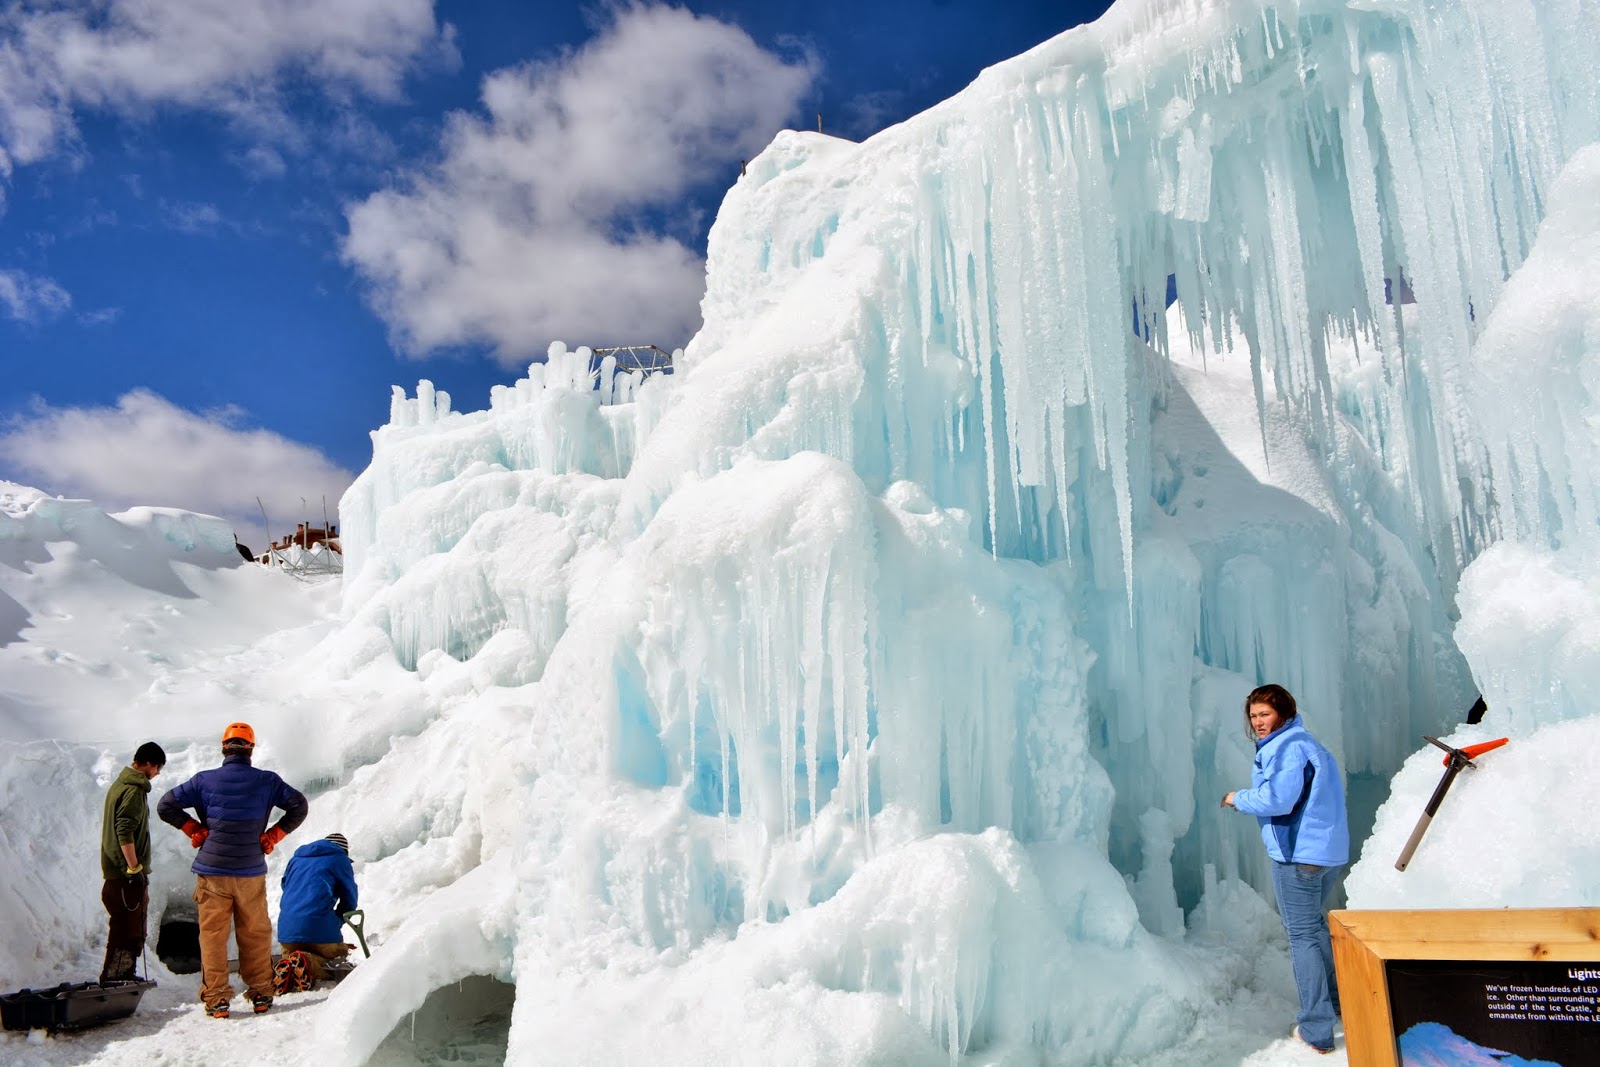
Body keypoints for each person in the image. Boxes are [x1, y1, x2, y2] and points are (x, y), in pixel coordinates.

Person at [1222, 684, 1349, 1056]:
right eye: (1253, 716)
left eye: (1265, 714)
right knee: (1314, 927)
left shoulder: (1287, 747)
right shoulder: (1306, 743)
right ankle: (1338, 1004)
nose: (1259, 722)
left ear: (1284, 712)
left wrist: (1236, 799)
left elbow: (1278, 798)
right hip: (1326, 855)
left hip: (1298, 858)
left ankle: (1316, 1028)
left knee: (1302, 938)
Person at [157, 722, 307, 1019]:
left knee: (213, 936)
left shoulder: (204, 781)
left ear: (224, 748)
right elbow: (298, 806)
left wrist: (193, 828)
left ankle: (217, 1000)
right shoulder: (267, 781)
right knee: (255, 933)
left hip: (212, 870)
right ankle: (262, 994)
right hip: (250, 870)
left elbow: (166, 805)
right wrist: (273, 835)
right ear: (250, 749)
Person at [99, 741, 166, 984]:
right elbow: (124, 830)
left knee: (122, 928)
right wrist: (134, 868)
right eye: (158, 767)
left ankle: (117, 976)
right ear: (148, 764)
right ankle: (118, 979)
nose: (157, 773)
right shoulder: (134, 790)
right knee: (129, 931)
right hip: (126, 876)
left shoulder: (119, 785)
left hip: (116, 876)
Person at [275, 832, 359, 987]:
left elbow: (285, 886)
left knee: (291, 956)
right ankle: (307, 963)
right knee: (337, 959)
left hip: (287, 931)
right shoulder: (339, 859)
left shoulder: (295, 859)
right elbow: (350, 896)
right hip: (320, 926)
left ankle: (288, 967)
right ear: (344, 851)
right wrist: (338, 919)